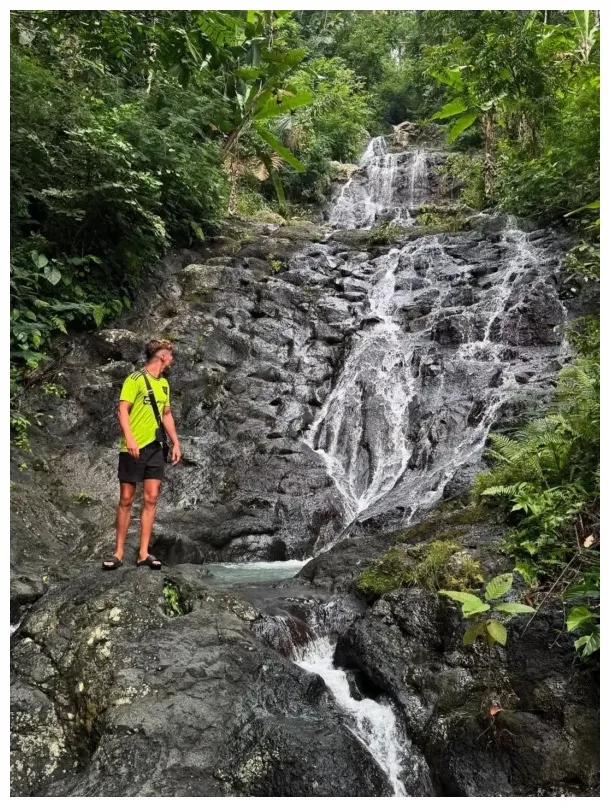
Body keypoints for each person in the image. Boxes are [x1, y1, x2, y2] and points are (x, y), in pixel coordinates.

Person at [102, 338, 181, 570]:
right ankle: (118, 552)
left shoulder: (164, 384)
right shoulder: (134, 379)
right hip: (133, 447)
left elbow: (166, 414)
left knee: (151, 498)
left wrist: (176, 442)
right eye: (171, 355)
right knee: (126, 499)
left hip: (155, 448)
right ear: (162, 356)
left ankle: (143, 552)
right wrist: (130, 438)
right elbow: (122, 410)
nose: (172, 359)